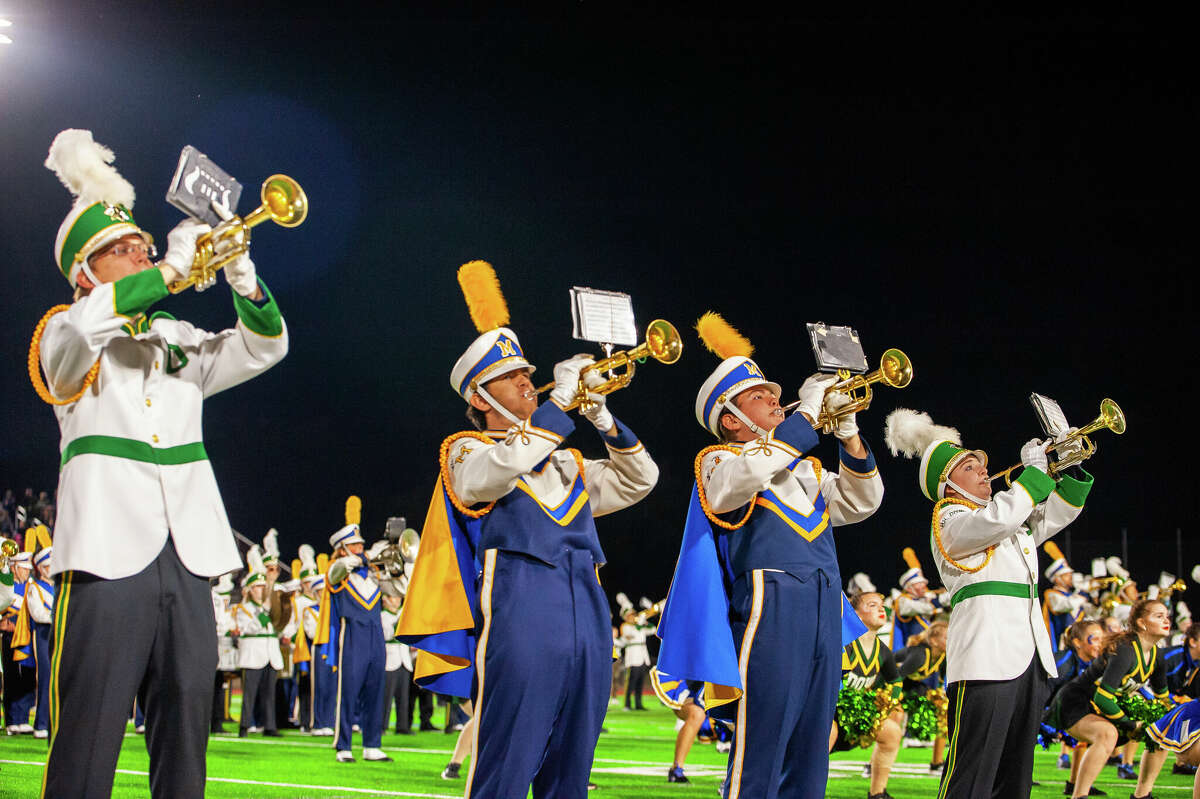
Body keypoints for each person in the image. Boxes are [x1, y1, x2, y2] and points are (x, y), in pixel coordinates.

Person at [37, 129, 289, 798]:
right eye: (123, 249)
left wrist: (242, 277)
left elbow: (264, 348)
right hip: (103, 558)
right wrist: (173, 269)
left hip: (188, 556)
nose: (142, 254)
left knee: (184, 743)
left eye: (143, 247)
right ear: (85, 270)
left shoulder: (174, 336)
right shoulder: (63, 331)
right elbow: (91, 325)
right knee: (87, 741)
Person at [396, 260, 659, 798]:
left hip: (588, 610)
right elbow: (500, 469)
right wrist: (559, 404)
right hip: (520, 612)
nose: (526, 381)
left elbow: (641, 479)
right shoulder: (465, 451)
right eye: (510, 377)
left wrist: (602, 418)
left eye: (526, 373)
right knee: (507, 764)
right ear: (479, 398)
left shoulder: (566, 461)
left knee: (572, 769)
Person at [657, 312, 884, 799]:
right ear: (731, 419)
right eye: (761, 397)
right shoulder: (719, 460)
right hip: (770, 607)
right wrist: (807, 417)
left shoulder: (806, 469)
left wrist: (848, 434)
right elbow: (739, 483)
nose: (776, 400)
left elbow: (863, 501)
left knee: (811, 755)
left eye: (774, 394)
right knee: (761, 747)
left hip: (824, 606)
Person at [884, 407, 1092, 799]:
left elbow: (1057, 513)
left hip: (1028, 658)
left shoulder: (1006, 519)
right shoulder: (949, 519)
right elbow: (998, 520)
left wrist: (1069, 464)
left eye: (980, 464)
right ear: (948, 485)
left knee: (1015, 779)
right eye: (969, 467)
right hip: (986, 659)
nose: (983, 470)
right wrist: (1034, 474)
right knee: (971, 778)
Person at [1046, 598, 1172, 799]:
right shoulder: (1126, 650)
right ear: (1141, 622)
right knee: (1107, 734)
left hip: (1102, 706)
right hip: (1076, 702)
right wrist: (1131, 724)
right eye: (1159, 616)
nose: (1166, 620)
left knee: (1160, 731)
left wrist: (1172, 719)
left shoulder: (1157, 655)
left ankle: (1142, 795)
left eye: (1167, 616)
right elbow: (1103, 697)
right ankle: (1079, 796)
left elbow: (1163, 700)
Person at [315, 506, 393, 763]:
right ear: (343, 549)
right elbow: (338, 570)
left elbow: (400, 588)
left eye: (361, 544)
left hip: (376, 635)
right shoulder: (337, 571)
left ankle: (372, 744)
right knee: (348, 691)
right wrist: (365, 557)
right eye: (355, 545)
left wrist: (395, 561)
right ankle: (343, 746)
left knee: (375, 689)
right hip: (351, 635)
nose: (360, 548)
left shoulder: (373, 573)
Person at [829, 591, 904, 799]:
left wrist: (888, 702)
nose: (881, 608)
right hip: (830, 715)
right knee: (828, 732)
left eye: (881, 604)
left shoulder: (882, 650)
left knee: (891, 732)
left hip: (858, 719)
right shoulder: (843, 643)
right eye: (872, 605)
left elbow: (896, 680)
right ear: (855, 614)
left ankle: (877, 793)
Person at [1047, 618, 1104, 794]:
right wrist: (1044, 720)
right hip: (1043, 708)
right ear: (1078, 643)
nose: (1100, 644)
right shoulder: (1063, 662)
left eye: (1102, 639)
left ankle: (1075, 784)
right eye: (1095, 639)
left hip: (1066, 708)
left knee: (1087, 734)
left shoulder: (1095, 663)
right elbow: (1041, 691)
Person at [234, 550, 283, 738]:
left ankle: (270, 725)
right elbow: (249, 628)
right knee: (249, 693)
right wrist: (263, 612)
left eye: (263, 587)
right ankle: (244, 725)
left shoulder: (270, 605)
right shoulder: (244, 608)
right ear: (250, 590)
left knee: (269, 693)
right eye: (258, 587)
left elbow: (278, 626)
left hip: (271, 653)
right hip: (253, 654)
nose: (261, 590)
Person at [650, 669, 711, 784]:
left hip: (724, 682)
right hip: (692, 683)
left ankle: (734, 774)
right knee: (697, 714)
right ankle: (677, 768)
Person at [2, 550, 35, 734]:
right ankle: (12, 719)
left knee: (28, 676)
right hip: (10, 637)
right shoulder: (5, 587)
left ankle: (23, 718)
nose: (27, 572)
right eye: (23, 568)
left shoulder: (31, 587)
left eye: (28, 569)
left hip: (28, 637)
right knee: (12, 676)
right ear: (14, 568)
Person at [892, 546, 947, 650]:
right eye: (919, 584)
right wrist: (943, 598)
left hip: (931, 646)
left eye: (923, 583)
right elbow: (927, 607)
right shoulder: (902, 601)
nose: (924, 586)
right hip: (912, 649)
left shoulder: (923, 597)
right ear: (909, 588)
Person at [1043, 541, 1089, 649]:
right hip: (1062, 644)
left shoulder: (1072, 595)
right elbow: (1065, 605)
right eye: (1066, 575)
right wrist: (1082, 590)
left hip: (1078, 642)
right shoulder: (1051, 594)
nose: (1070, 577)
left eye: (1070, 574)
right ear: (1057, 579)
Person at [619, 608, 655, 710]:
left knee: (640, 682)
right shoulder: (625, 626)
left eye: (634, 615)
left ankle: (638, 704)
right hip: (633, 657)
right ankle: (627, 704)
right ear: (626, 617)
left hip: (643, 657)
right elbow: (634, 632)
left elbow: (653, 629)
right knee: (631, 682)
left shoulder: (640, 627)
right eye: (631, 616)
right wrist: (640, 622)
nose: (634, 617)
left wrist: (646, 622)